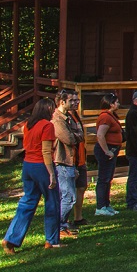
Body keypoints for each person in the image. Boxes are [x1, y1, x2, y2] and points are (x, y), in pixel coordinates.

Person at [0, 98, 62, 253]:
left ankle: (11, 238)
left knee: (27, 202)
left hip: (27, 165)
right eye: (52, 109)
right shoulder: (47, 126)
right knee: (52, 202)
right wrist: (52, 174)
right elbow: (46, 151)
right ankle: (52, 240)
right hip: (41, 166)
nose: (54, 112)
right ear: (48, 110)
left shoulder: (28, 124)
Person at [51, 91, 85, 237]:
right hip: (62, 161)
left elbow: (80, 135)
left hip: (70, 161)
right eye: (72, 100)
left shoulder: (68, 118)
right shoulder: (57, 119)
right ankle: (59, 226)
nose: (76, 103)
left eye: (77, 100)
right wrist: (77, 135)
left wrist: (76, 135)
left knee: (68, 196)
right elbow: (70, 139)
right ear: (62, 102)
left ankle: (61, 225)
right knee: (69, 197)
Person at [93, 93, 122, 217]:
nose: (119, 104)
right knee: (103, 178)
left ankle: (106, 204)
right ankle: (100, 206)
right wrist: (106, 151)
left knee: (108, 178)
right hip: (106, 149)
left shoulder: (111, 116)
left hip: (113, 149)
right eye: (117, 102)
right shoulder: (105, 117)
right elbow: (100, 135)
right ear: (111, 104)